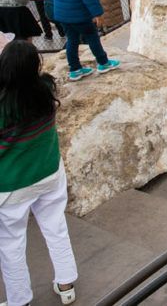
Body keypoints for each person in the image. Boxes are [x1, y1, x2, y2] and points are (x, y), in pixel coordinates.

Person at [0, 40, 79, 306]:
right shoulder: (45, 88)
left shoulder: (3, 104)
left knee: (11, 245)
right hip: (48, 172)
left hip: (11, 184)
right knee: (56, 227)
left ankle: (19, 301)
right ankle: (66, 284)